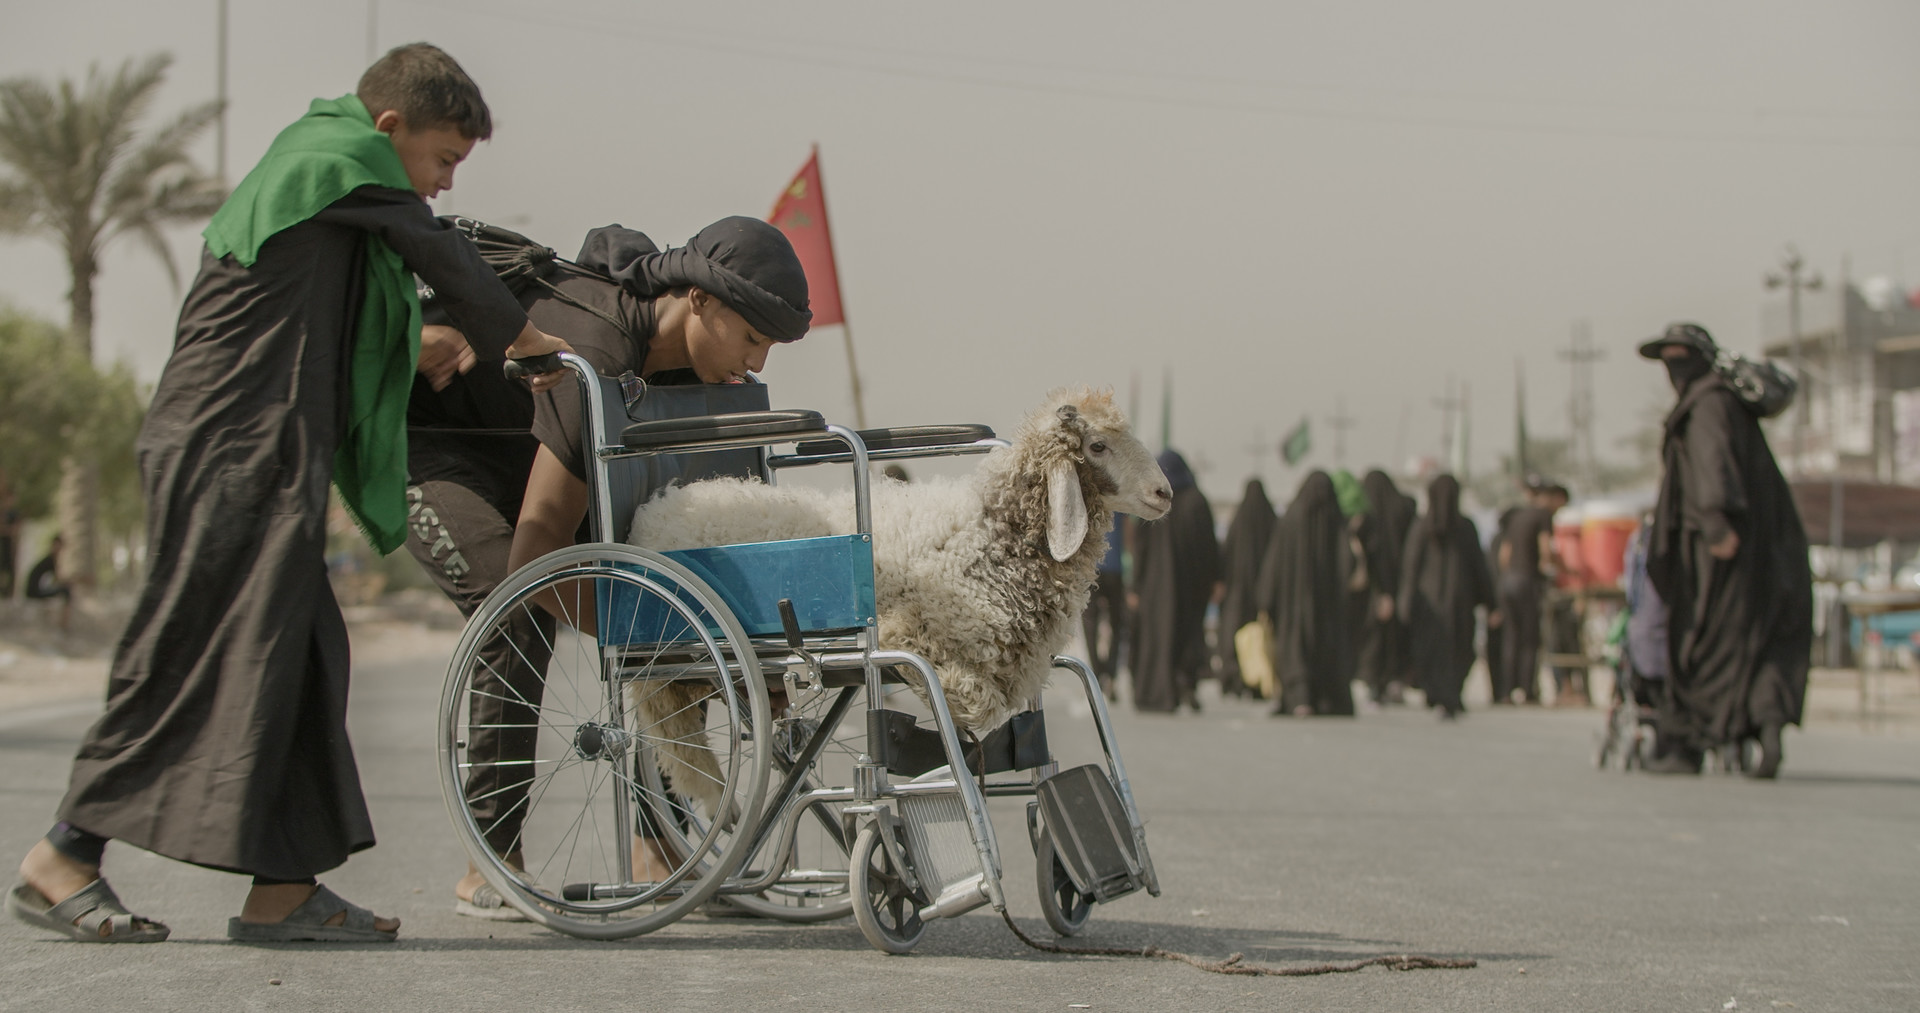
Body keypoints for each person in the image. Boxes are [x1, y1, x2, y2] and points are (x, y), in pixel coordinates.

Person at [9, 44, 572, 945]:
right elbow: (444, 257)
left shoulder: (330, 181)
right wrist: (530, 343)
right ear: (389, 128)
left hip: (259, 447)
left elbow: (317, 310)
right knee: (195, 649)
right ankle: (64, 853)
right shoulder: (338, 159)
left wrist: (416, 342)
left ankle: (282, 888)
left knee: (300, 656)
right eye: (442, 159)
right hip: (229, 447)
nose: (443, 185)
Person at [405, 216, 811, 915]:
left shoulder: (681, 367)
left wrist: (722, 647)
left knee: (664, 589)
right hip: (433, 448)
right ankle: (492, 855)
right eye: (751, 338)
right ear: (698, 301)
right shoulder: (596, 355)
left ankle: (657, 843)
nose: (757, 364)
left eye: (770, 347)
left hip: (532, 453)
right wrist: (678, 643)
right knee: (519, 606)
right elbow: (537, 554)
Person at [1640, 323, 1811, 778]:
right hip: (1761, 548)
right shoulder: (1724, 401)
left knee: (1704, 640)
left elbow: (1713, 466)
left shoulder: (1708, 404)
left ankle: (1691, 741)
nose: (1673, 368)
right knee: (1755, 637)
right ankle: (1764, 726)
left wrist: (1715, 524)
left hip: (1720, 549)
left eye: (1680, 358)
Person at [1397, 475, 1497, 720]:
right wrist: (1490, 602)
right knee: (1455, 648)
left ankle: (1440, 693)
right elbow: (1480, 568)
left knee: (1435, 649)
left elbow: (1410, 568)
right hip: (1458, 603)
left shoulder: (1423, 527)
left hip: (1430, 604)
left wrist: (1405, 602)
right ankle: (1447, 693)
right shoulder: (1464, 527)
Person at [1260, 470, 1358, 717]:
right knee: (1326, 649)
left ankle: (1299, 699)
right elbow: (1347, 563)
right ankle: (1324, 700)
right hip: (1328, 607)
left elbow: (1273, 564)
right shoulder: (1335, 521)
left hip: (1292, 606)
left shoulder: (1290, 519)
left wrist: (1266, 599)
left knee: (1295, 647)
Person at [1129, 450, 1220, 713]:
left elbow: (1140, 549)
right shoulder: (1197, 501)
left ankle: (1158, 691)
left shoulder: (1152, 500)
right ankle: (1185, 684)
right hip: (1192, 585)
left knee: (1158, 637)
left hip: (1155, 588)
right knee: (1188, 634)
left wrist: (1136, 586)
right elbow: (1209, 546)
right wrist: (1215, 579)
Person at [1495, 478, 1565, 705]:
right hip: (1527, 581)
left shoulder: (1517, 516)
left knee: (1511, 638)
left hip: (1508, 581)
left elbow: (1504, 555)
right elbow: (1546, 550)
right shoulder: (1543, 516)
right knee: (1529, 638)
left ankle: (1507, 690)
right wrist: (1560, 570)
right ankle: (1527, 689)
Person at [1354, 469, 1415, 703]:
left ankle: (1373, 682)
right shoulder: (1403, 512)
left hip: (1374, 589)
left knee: (1374, 637)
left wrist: (1380, 591)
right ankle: (1394, 681)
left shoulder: (1367, 518)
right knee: (1396, 636)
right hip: (1402, 585)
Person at [1214, 478, 1276, 698]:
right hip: (1263, 592)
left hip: (1237, 593)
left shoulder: (1238, 523)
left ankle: (1234, 679)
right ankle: (1258, 680)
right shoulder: (1271, 522)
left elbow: (1224, 555)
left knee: (1234, 635)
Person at [1081, 521, 1128, 701]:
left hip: (1092, 567)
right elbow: (1128, 535)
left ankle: (1098, 673)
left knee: (1090, 624)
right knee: (1116, 624)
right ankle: (1109, 673)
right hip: (1114, 568)